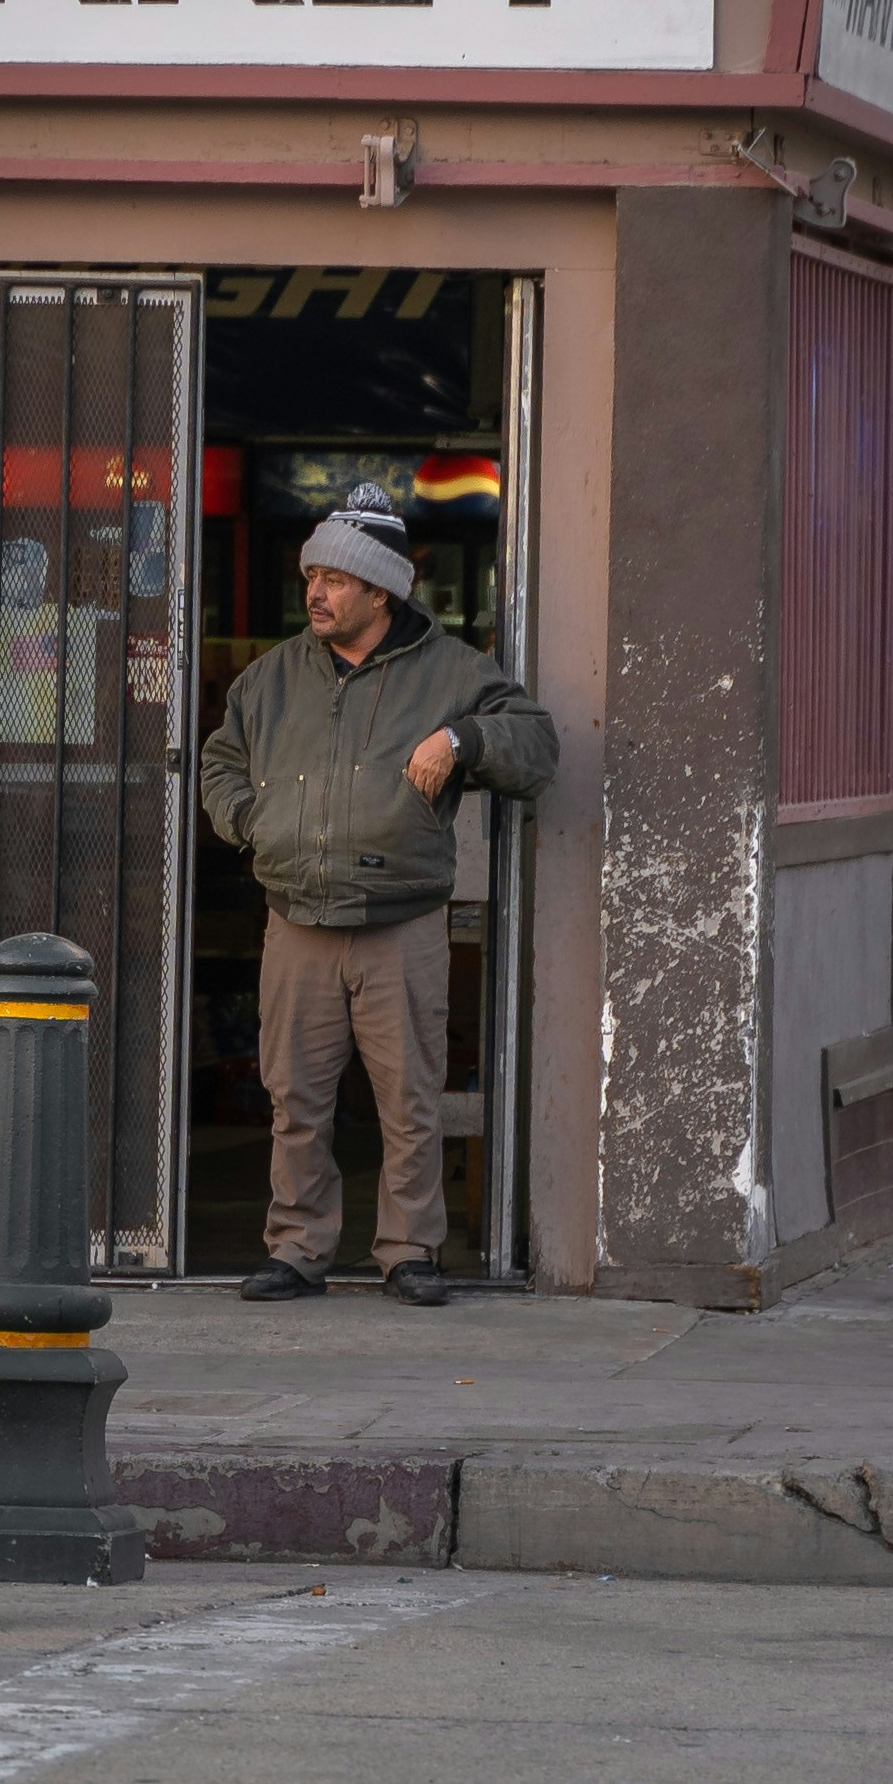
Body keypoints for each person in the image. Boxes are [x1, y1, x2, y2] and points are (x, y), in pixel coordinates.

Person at [197, 478, 558, 1306]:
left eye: (335, 579)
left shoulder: (456, 671)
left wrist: (463, 736)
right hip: (296, 918)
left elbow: (537, 746)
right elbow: (221, 758)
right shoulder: (272, 676)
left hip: (402, 923)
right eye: (312, 577)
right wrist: (251, 822)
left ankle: (408, 1250)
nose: (315, 592)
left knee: (408, 1100)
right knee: (296, 1098)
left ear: (380, 589)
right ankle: (296, 1248)